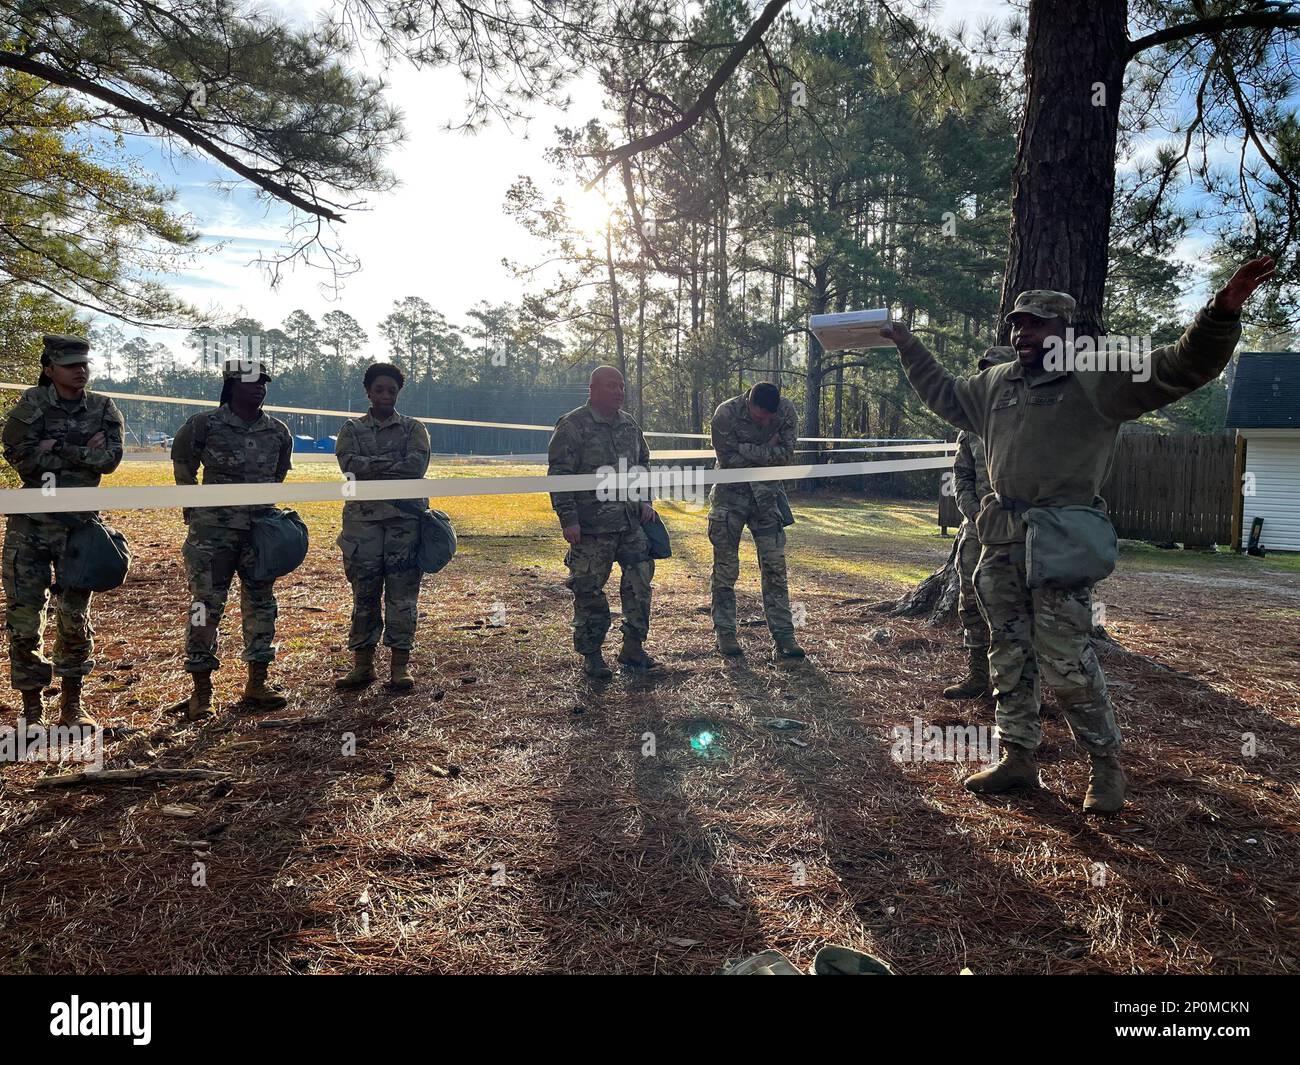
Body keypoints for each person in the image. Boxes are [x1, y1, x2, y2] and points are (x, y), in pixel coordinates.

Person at [883, 255, 1275, 813]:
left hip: (1060, 539)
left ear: (1066, 332)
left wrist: (1221, 310)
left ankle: (1104, 766)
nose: (1023, 331)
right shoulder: (996, 383)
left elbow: (1179, 365)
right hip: (1001, 541)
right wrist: (908, 346)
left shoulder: (1099, 376)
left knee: (1066, 659)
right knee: (1009, 653)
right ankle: (1018, 755)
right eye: (1017, 322)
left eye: (1037, 323)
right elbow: (945, 396)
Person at [2, 334, 123, 729]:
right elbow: (20, 456)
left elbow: (109, 460)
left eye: (84, 363)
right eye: (70, 364)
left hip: (79, 526)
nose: (80, 370)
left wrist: (60, 446)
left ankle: (72, 705)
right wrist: (81, 448)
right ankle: (32, 711)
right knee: (24, 618)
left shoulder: (104, 408)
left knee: (74, 617)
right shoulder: (32, 404)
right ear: (49, 369)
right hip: (31, 526)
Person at [168, 359, 293, 720]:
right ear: (230, 385)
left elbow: (278, 475)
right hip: (212, 534)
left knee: (261, 603)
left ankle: (257, 682)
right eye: (250, 382)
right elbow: (183, 469)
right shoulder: (203, 425)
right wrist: (195, 507)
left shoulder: (277, 431)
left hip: (259, 533)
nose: (258, 388)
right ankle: (201, 691)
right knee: (205, 606)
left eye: (263, 383)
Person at [547, 366, 657, 679]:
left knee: (639, 585)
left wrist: (646, 500)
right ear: (592, 388)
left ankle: (633, 647)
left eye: (622, 386)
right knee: (588, 590)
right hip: (591, 527)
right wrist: (568, 519)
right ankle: (592, 655)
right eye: (612, 386)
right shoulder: (573, 425)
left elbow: (643, 465)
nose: (619, 392)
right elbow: (560, 475)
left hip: (630, 523)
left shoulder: (629, 425)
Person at [333, 363, 432, 692]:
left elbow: (415, 467)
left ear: (398, 392)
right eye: (379, 390)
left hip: (405, 524)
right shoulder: (351, 429)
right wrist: (392, 466)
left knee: (403, 597)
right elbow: (349, 467)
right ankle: (363, 666)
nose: (385, 396)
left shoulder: (414, 428)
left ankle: (399, 667)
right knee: (365, 596)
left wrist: (372, 467)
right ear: (368, 392)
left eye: (391, 390)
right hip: (363, 526)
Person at [709, 382, 805, 660]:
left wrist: (747, 448)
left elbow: (785, 457)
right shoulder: (725, 414)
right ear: (748, 402)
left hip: (767, 498)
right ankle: (725, 634)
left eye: (769, 420)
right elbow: (728, 461)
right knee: (726, 570)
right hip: (730, 498)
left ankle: (785, 636)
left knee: (775, 569)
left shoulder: (786, 411)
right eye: (759, 417)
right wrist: (766, 446)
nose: (766, 421)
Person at [943, 346, 1014, 699]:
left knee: (1018, 607)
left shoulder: (1027, 421)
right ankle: (977, 677)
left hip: (1018, 530)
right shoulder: (969, 426)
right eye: (983, 372)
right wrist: (974, 513)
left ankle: (1020, 686)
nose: (988, 379)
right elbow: (962, 477)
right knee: (970, 602)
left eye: (994, 371)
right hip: (977, 529)